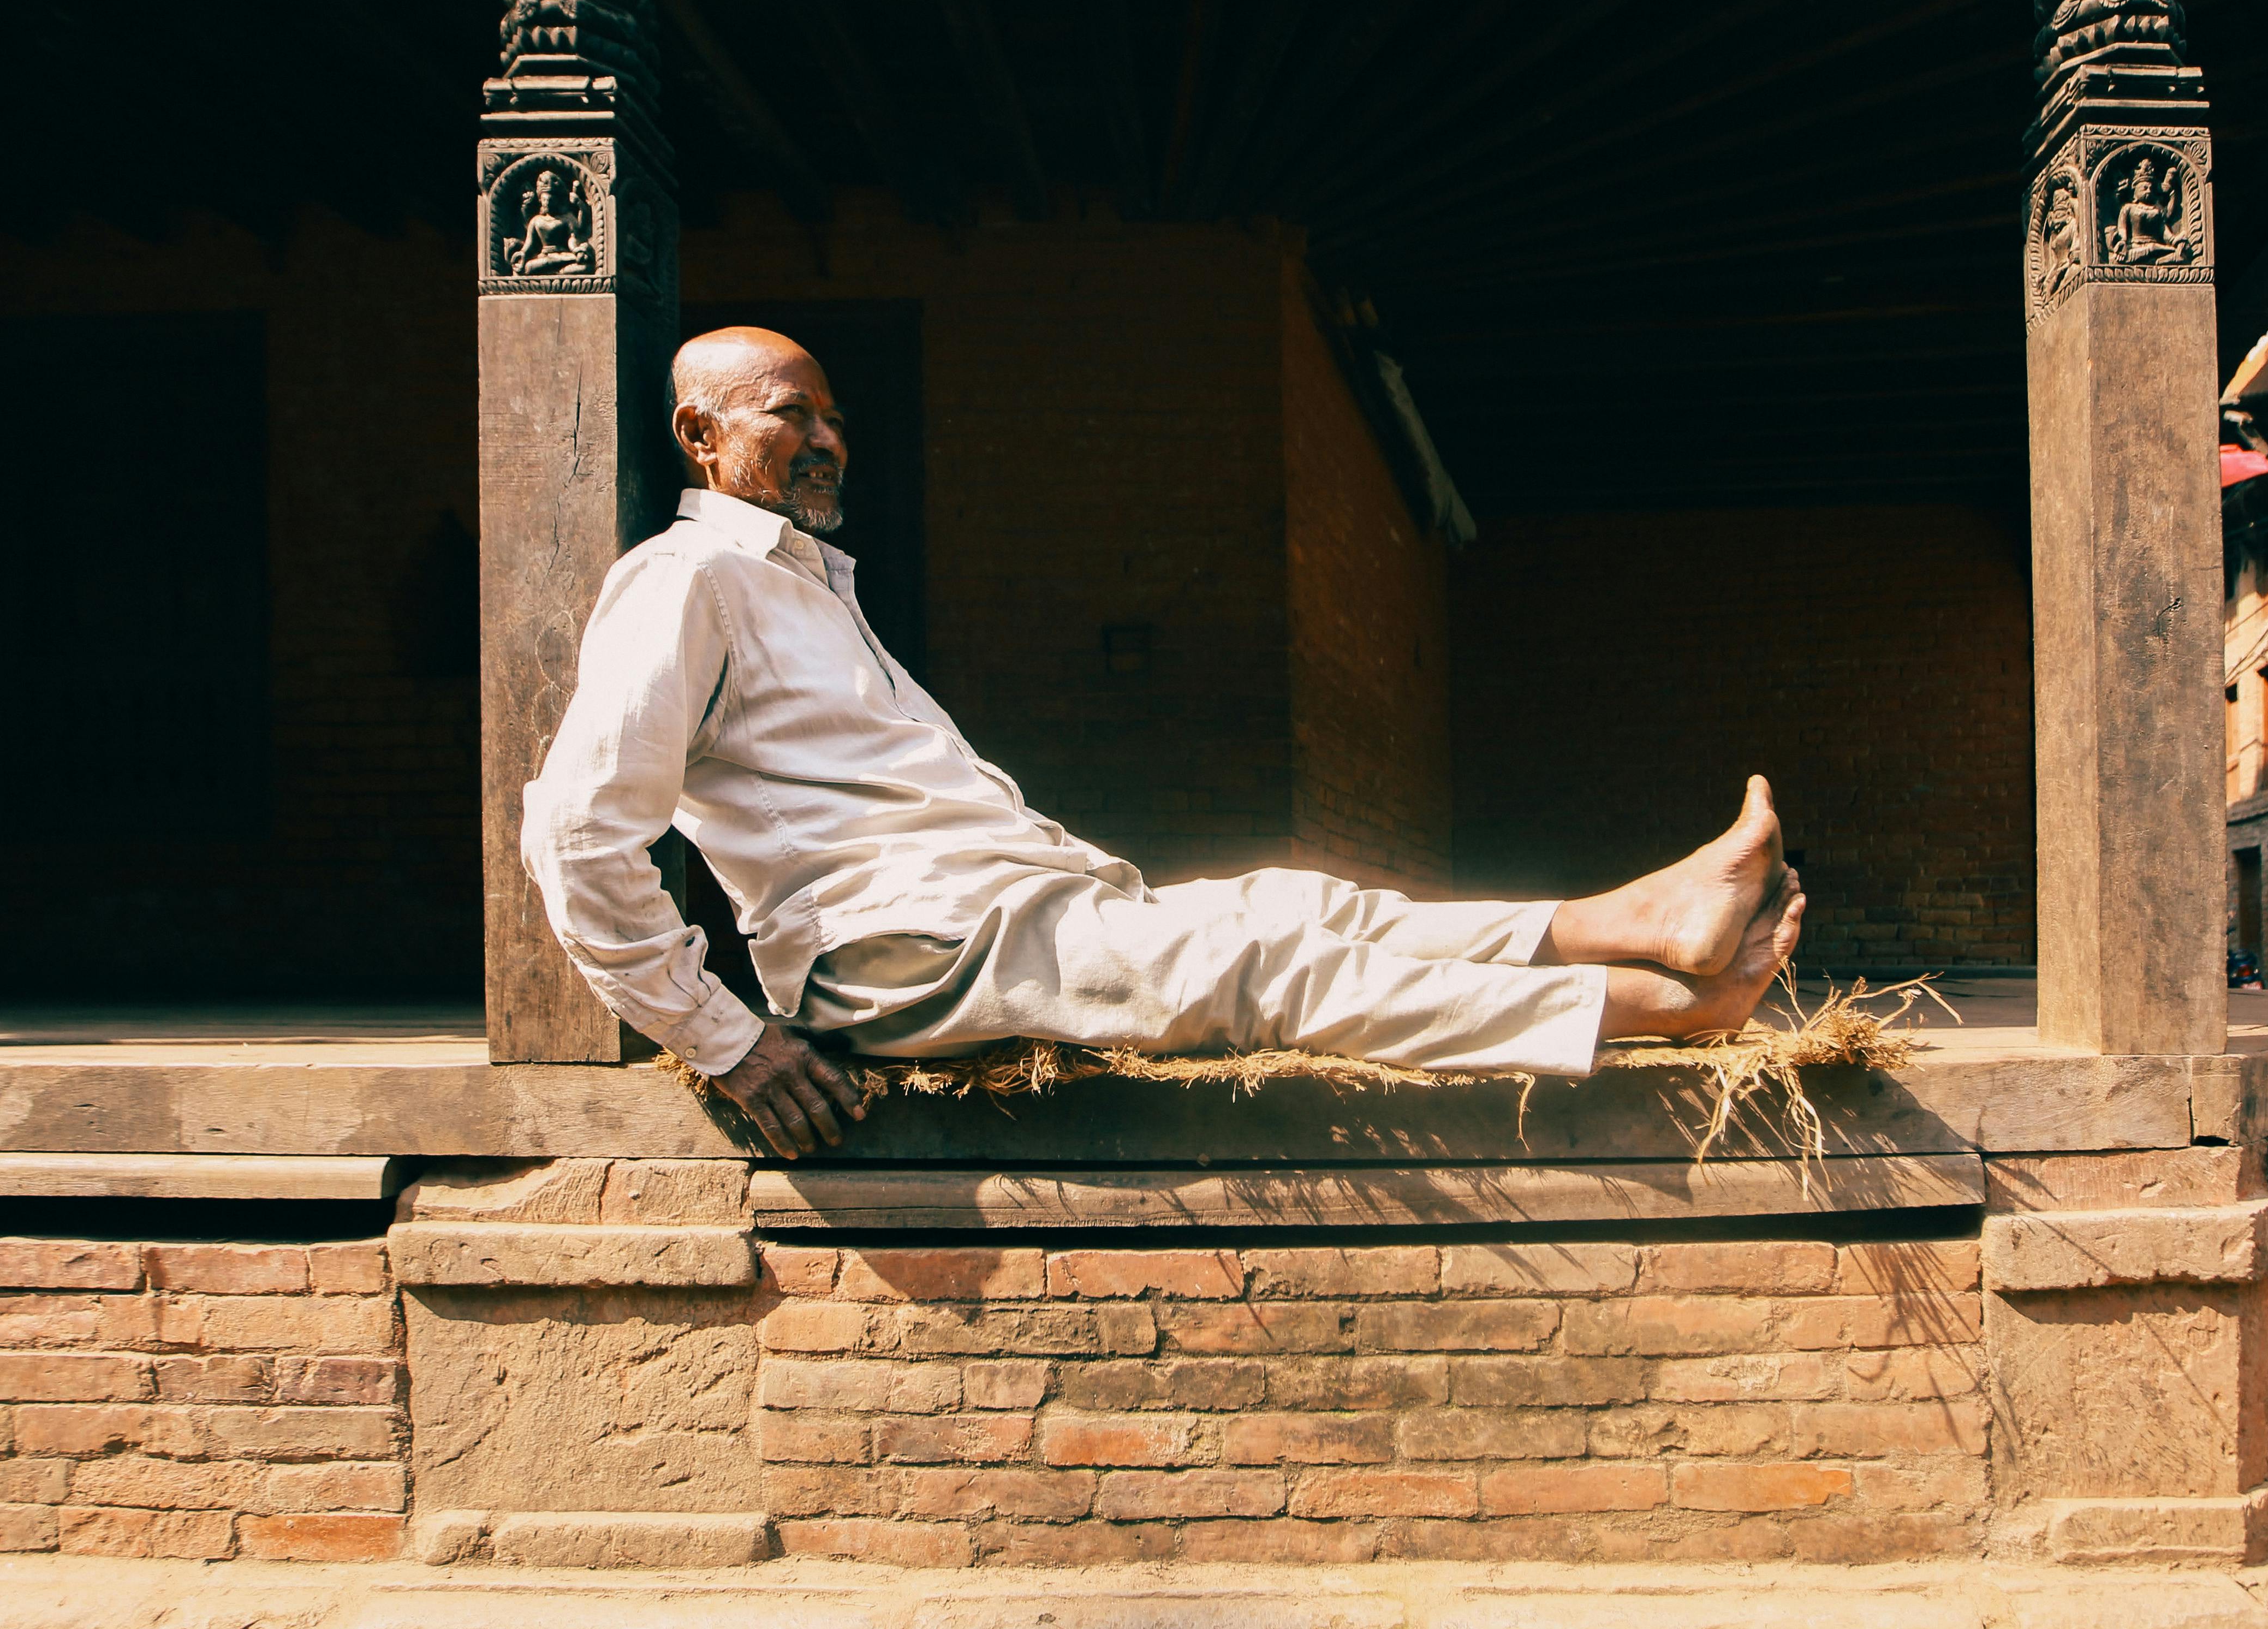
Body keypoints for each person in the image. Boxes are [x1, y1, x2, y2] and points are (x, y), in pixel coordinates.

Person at [521, 327, 1805, 1158]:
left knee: (1301, 902)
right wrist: (726, 1038)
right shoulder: (686, 578)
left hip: (1005, 912)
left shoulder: (810, 588)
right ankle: (1662, 1006)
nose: (827, 438)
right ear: (700, 434)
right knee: (1259, 960)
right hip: (903, 953)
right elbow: (579, 832)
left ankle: (1640, 919)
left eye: (834, 417)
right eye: (790, 415)